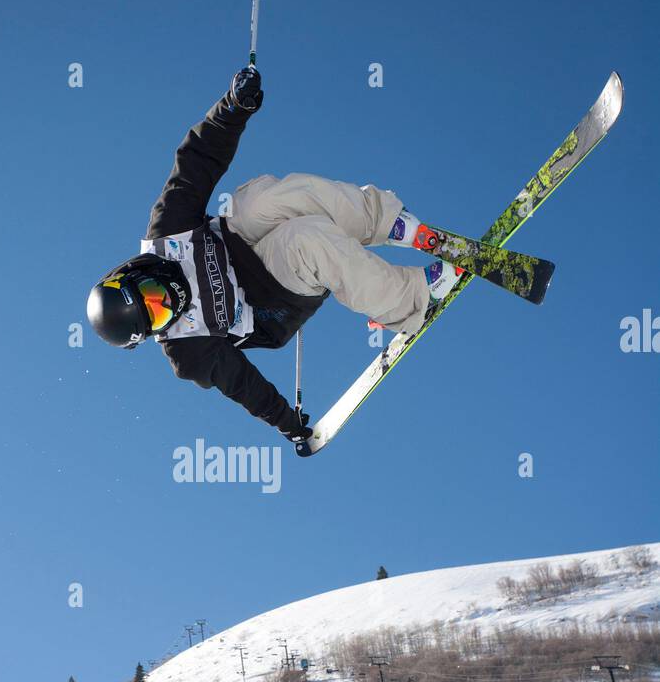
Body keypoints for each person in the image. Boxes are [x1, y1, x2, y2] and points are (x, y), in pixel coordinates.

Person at [86, 67, 461, 446]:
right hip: (268, 302)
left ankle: (384, 221)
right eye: (160, 315)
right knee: (306, 239)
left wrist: (234, 107)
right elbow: (245, 386)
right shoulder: (188, 347)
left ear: (136, 272)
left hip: (241, 239)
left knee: (261, 201)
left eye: (153, 293)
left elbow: (197, 161)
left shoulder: (169, 231)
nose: (169, 301)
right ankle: (410, 299)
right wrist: (288, 424)